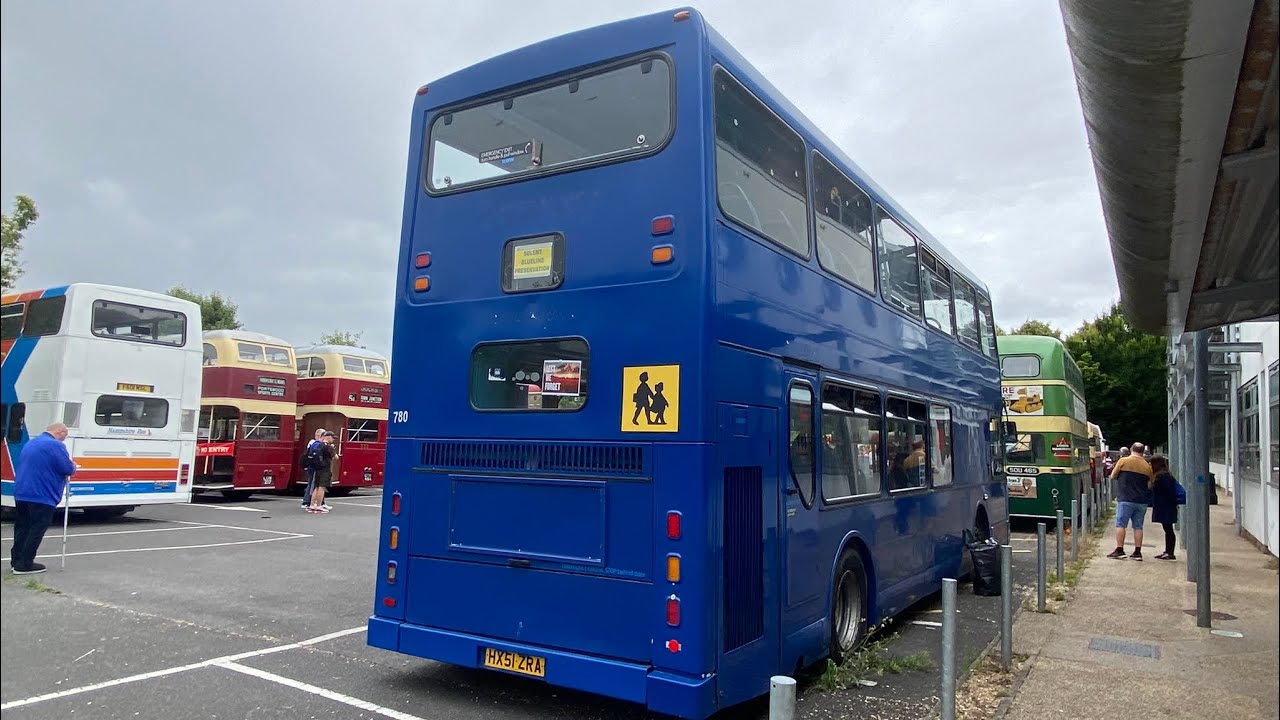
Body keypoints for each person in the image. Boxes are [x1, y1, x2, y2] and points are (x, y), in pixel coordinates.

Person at [10, 423, 77, 574]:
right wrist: (73, 467)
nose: (64, 440)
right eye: (65, 436)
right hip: (42, 493)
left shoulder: (31, 442)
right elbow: (66, 468)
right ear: (60, 432)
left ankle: (16, 560)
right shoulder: (55, 445)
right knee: (37, 528)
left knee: (22, 527)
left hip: (22, 491)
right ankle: (25, 564)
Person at [1108, 441, 1153, 560]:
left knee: (1121, 524)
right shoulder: (1147, 466)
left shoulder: (1123, 461)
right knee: (1138, 526)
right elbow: (1149, 485)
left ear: (1131, 449)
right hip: (1142, 501)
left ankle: (1120, 550)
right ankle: (1137, 552)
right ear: (1143, 452)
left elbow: (1113, 476)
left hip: (1125, 498)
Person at [1148, 455, 1179, 561]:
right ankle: (1168, 551)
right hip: (1167, 506)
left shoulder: (1162, 476)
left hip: (1166, 506)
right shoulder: (1165, 475)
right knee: (1167, 529)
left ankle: (1170, 552)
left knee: (1168, 529)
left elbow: (1166, 491)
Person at [306, 431, 337, 514]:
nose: (333, 440)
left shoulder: (317, 444)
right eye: (332, 438)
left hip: (317, 468)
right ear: (328, 437)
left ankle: (312, 505)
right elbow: (335, 457)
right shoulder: (328, 447)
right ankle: (319, 505)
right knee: (322, 487)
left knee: (316, 487)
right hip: (324, 469)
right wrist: (333, 449)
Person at [300, 429, 330, 511]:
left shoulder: (314, 443)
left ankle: (320, 502)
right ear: (319, 436)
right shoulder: (315, 443)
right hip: (314, 467)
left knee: (316, 485)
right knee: (313, 484)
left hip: (312, 466)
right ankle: (307, 502)